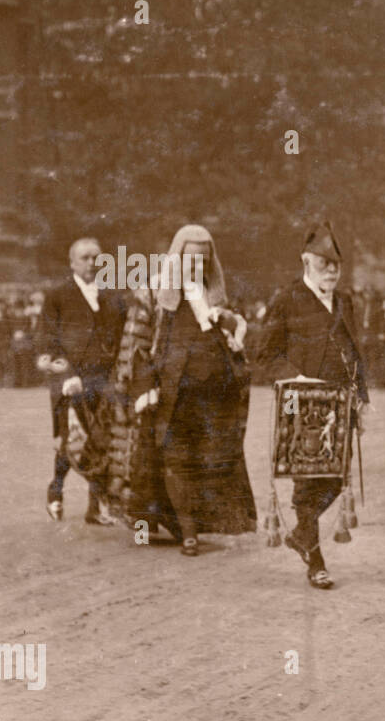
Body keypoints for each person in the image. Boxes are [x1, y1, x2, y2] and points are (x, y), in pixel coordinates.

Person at [131, 224, 256, 556]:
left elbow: (237, 341)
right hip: (170, 393)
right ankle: (187, 530)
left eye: (203, 261)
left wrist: (229, 326)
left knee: (206, 459)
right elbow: (137, 346)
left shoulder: (217, 300)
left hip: (212, 393)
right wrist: (145, 387)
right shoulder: (154, 293)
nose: (196, 268)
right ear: (176, 258)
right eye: (190, 260)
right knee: (174, 458)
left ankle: (192, 522)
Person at [258, 221, 370, 589]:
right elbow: (264, 354)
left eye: (336, 265)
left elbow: (354, 351)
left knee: (337, 478)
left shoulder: (345, 301)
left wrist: (362, 399)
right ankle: (315, 559)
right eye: (325, 264)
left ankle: (300, 536)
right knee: (307, 482)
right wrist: (294, 377)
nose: (332, 272)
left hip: (341, 402)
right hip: (299, 403)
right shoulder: (286, 298)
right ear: (306, 262)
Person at [36, 237, 127, 524]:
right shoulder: (58, 295)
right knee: (70, 441)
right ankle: (56, 492)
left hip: (103, 381)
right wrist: (65, 375)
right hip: (69, 380)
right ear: (72, 262)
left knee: (101, 441)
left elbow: (123, 336)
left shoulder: (113, 295)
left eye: (96, 257)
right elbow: (47, 339)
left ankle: (94, 507)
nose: (92, 263)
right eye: (85, 258)